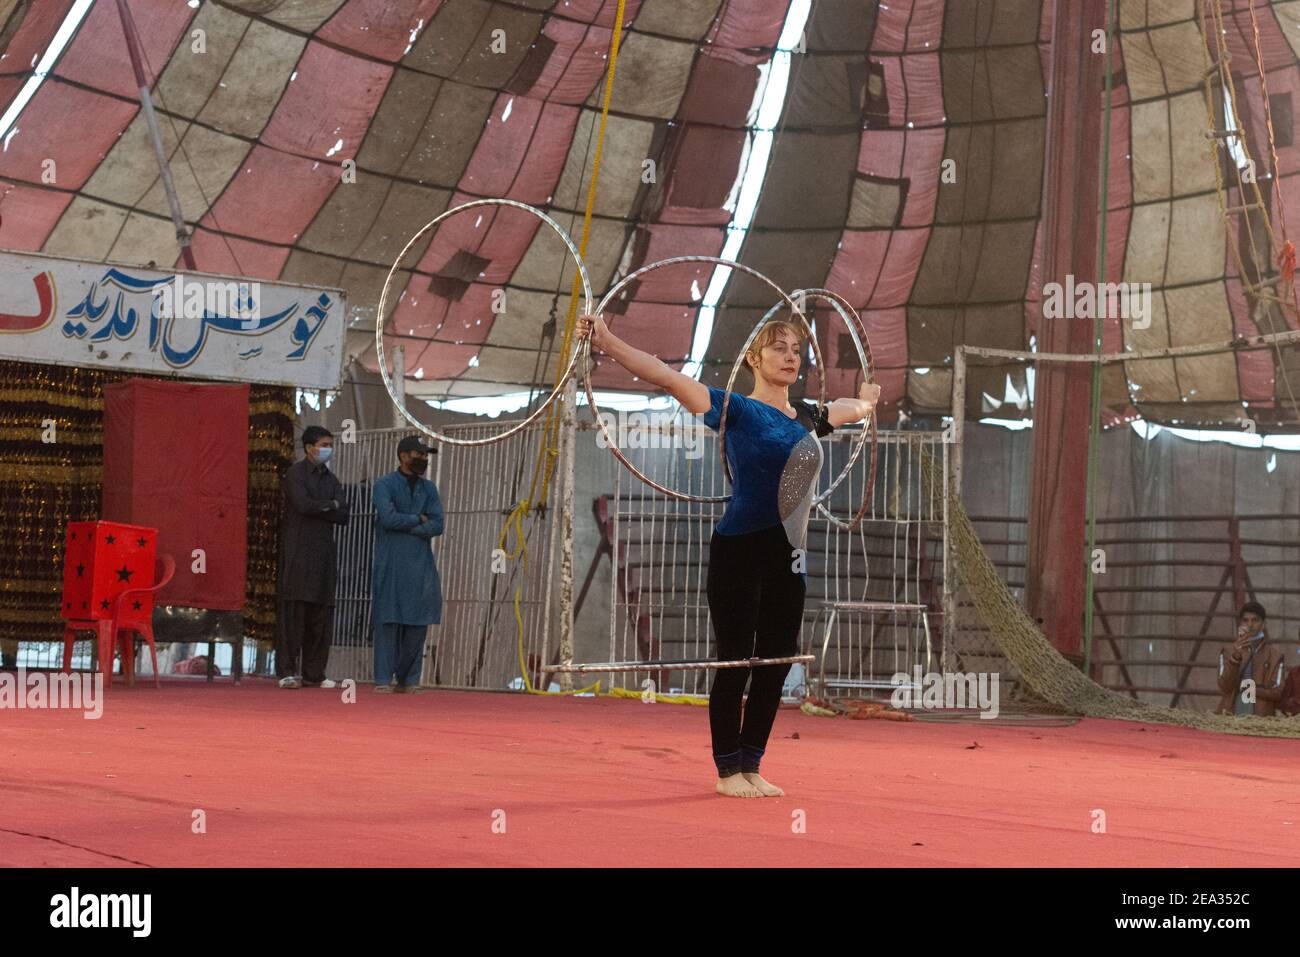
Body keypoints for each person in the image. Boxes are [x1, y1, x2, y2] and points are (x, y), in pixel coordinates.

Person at [580, 312, 879, 797]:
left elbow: (846, 409)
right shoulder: (734, 409)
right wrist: (608, 340)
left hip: (789, 558)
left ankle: (752, 764)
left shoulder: (807, 416)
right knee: (737, 661)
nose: (790, 357)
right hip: (740, 549)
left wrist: (866, 401)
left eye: (796, 351)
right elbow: (666, 375)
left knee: (776, 663)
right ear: (754, 358)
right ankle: (726, 770)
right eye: (778, 348)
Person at [277, 425, 349, 689]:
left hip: (323, 555)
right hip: (298, 553)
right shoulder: (295, 475)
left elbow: (344, 513)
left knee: (320, 616)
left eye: (330, 444)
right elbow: (303, 505)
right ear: (308, 447)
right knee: (294, 614)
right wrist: (330, 505)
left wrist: (326, 507)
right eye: (323, 444)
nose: (327, 449)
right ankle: (286, 671)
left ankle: (314, 673)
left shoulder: (332, 480)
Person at [371, 436, 444, 693]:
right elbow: (387, 519)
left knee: (417, 621)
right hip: (391, 561)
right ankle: (382, 679)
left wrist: (408, 524)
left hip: (420, 562)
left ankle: (409, 679)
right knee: (388, 619)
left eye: (425, 455)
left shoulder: (429, 488)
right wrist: (417, 519)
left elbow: (438, 524)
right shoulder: (384, 485)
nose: (423, 458)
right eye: (419, 454)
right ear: (403, 456)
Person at [1215, 601, 1286, 716]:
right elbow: (1224, 687)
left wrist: (1251, 690)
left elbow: (1277, 692)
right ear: (1240, 624)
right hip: (1230, 718)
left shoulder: (1275, 656)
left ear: (1263, 624)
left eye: (1255, 620)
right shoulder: (1228, 651)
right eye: (1245, 620)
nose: (1250, 624)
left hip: (1260, 722)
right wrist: (1236, 657)